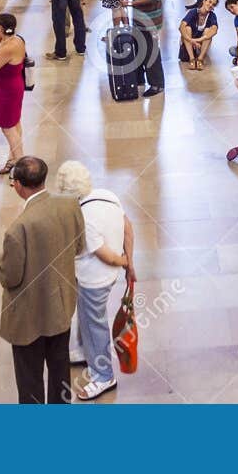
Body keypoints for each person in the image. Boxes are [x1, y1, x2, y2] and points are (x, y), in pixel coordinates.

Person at [0, 155, 85, 404]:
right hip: (60, 306)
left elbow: (10, 277)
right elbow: (78, 247)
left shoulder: (18, 229)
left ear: (19, 186)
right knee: (60, 370)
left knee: (30, 380)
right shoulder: (70, 205)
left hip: (29, 317)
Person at [56, 161, 134, 401]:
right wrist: (130, 263)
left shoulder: (83, 218)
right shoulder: (106, 195)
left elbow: (106, 256)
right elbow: (128, 227)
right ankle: (82, 350)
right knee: (87, 318)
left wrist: (121, 261)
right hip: (104, 277)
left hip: (94, 280)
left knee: (94, 324)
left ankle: (103, 375)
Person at [0, 13, 27, 175]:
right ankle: (12, 159)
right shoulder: (18, 40)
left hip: (7, 91)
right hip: (13, 86)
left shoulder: (7, 47)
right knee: (15, 123)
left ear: (1, 29)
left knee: (7, 127)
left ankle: (20, 165)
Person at [126, 0, 164, 96]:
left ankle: (157, 84)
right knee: (139, 49)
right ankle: (139, 78)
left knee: (151, 51)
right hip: (138, 19)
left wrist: (132, 2)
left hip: (150, 20)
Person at [178, 0, 219, 70]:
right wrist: (191, 40)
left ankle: (200, 59)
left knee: (208, 31)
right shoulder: (193, 11)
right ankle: (192, 59)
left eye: (213, 5)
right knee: (187, 28)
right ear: (204, 1)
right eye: (209, 2)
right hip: (189, 40)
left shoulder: (212, 15)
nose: (211, 5)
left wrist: (198, 40)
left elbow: (214, 30)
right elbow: (181, 26)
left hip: (200, 41)